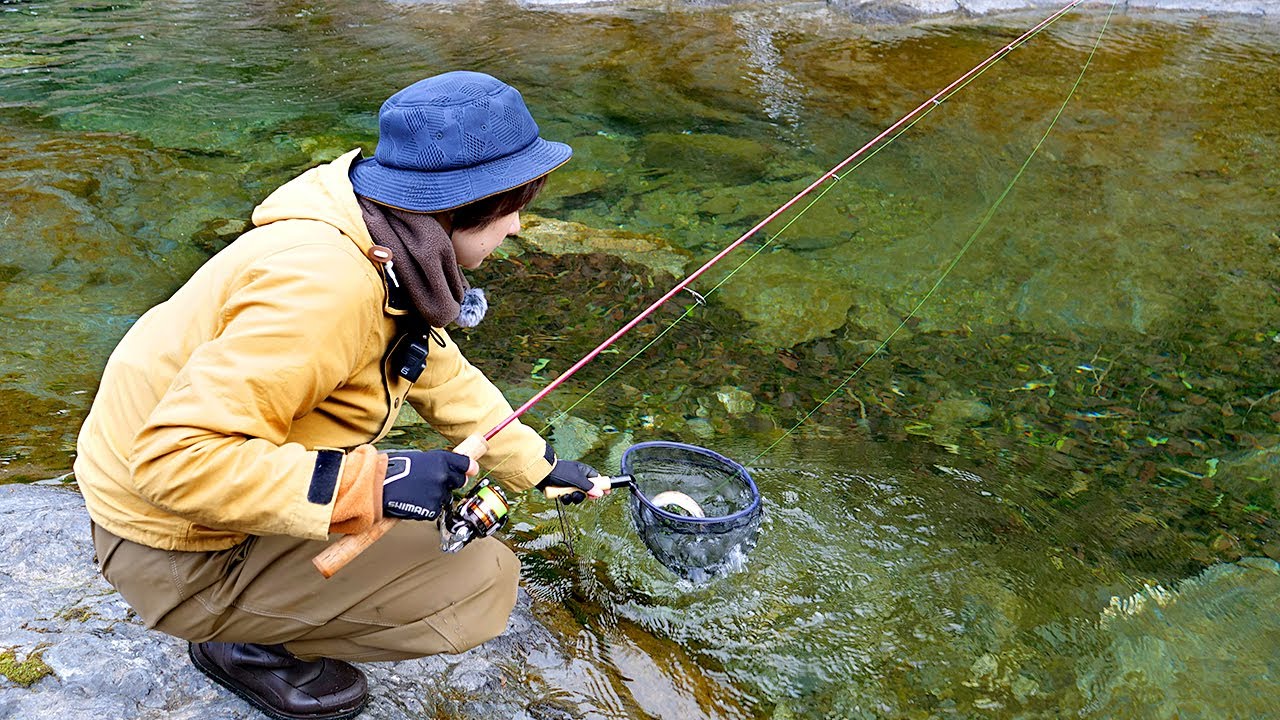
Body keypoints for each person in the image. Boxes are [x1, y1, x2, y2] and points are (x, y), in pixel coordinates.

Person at [73, 70, 606, 720]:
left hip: (199, 507)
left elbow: (440, 373)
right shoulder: (325, 289)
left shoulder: (375, 241)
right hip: (171, 543)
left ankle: (254, 609)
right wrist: (375, 482)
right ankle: (236, 642)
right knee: (481, 585)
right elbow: (171, 462)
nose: (519, 226)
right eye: (511, 205)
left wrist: (540, 468)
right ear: (460, 204)